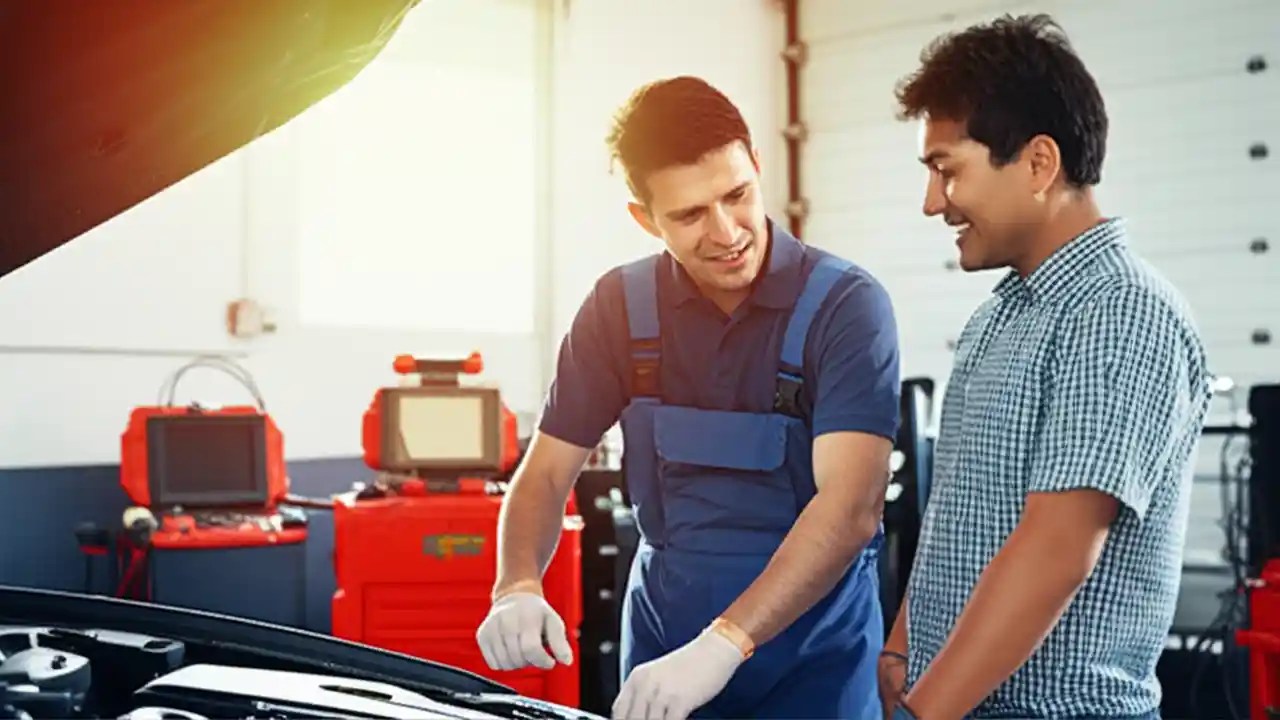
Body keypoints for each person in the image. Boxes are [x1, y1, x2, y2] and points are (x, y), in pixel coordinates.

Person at [474, 75, 902, 720]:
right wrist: (516, 585)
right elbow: (546, 472)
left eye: (737, 194)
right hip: (664, 655)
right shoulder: (619, 310)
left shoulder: (845, 307)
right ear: (645, 219)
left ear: (757, 166)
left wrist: (725, 645)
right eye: (690, 214)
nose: (727, 231)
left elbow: (850, 508)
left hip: (817, 664)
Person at [877, 13, 1213, 720]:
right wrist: (902, 648)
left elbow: (1057, 549)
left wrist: (920, 713)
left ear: (1038, 163)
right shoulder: (998, 317)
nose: (932, 202)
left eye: (947, 171)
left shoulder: (1120, 312)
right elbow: (953, 514)